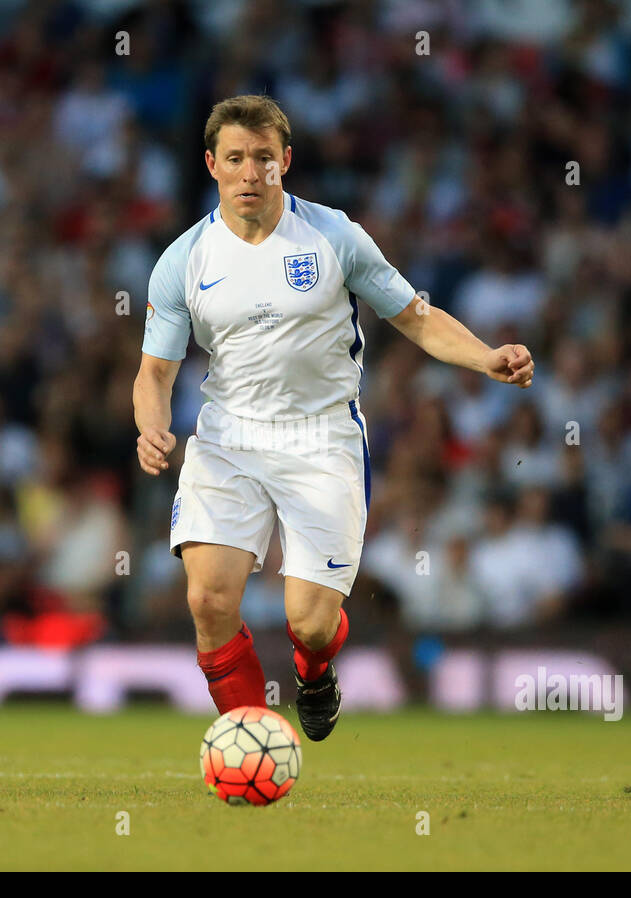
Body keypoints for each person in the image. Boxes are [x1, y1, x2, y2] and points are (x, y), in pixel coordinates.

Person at [132, 95, 534, 740]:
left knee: (310, 623)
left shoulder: (334, 236)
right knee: (209, 601)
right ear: (211, 164)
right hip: (228, 437)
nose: (250, 172)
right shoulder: (184, 260)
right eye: (235, 158)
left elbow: (416, 316)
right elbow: (154, 372)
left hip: (322, 438)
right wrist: (152, 427)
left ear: (285, 161)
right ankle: (250, 738)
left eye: (264, 158)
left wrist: (488, 357)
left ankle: (315, 671)